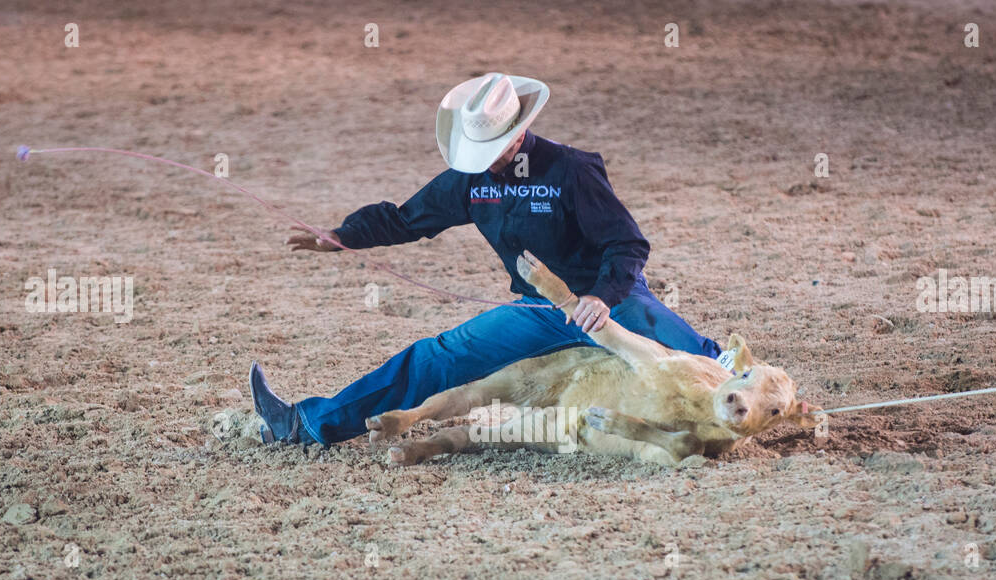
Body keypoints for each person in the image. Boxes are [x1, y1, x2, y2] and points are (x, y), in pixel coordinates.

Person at [250, 72, 725, 447]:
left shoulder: (572, 170)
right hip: (537, 311)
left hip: (610, 303)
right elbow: (407, 218)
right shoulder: (471, 179)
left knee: (706, 361)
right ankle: (306, 424)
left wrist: (602, 295)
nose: (489, 161)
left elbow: (628, 244)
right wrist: (342, 235)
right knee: (435, 357)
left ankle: (771, 405)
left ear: (520, 134)